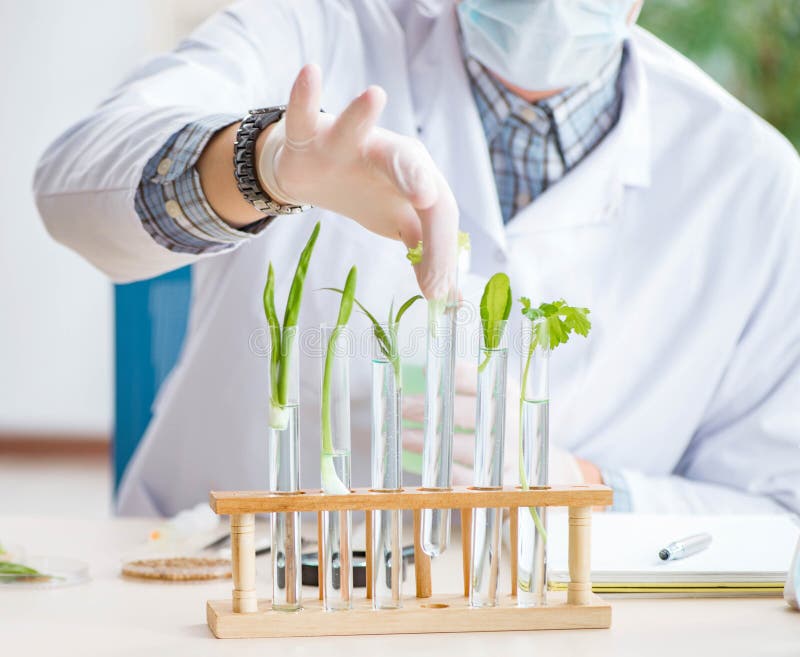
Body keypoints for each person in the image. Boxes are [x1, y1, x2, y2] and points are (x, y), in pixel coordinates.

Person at [34, 0, 800, 517]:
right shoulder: (314, 32)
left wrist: (584, 489)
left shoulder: (752, 180)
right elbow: (72, 185)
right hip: (211, 602)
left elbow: (778, 510)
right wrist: (266, 167)